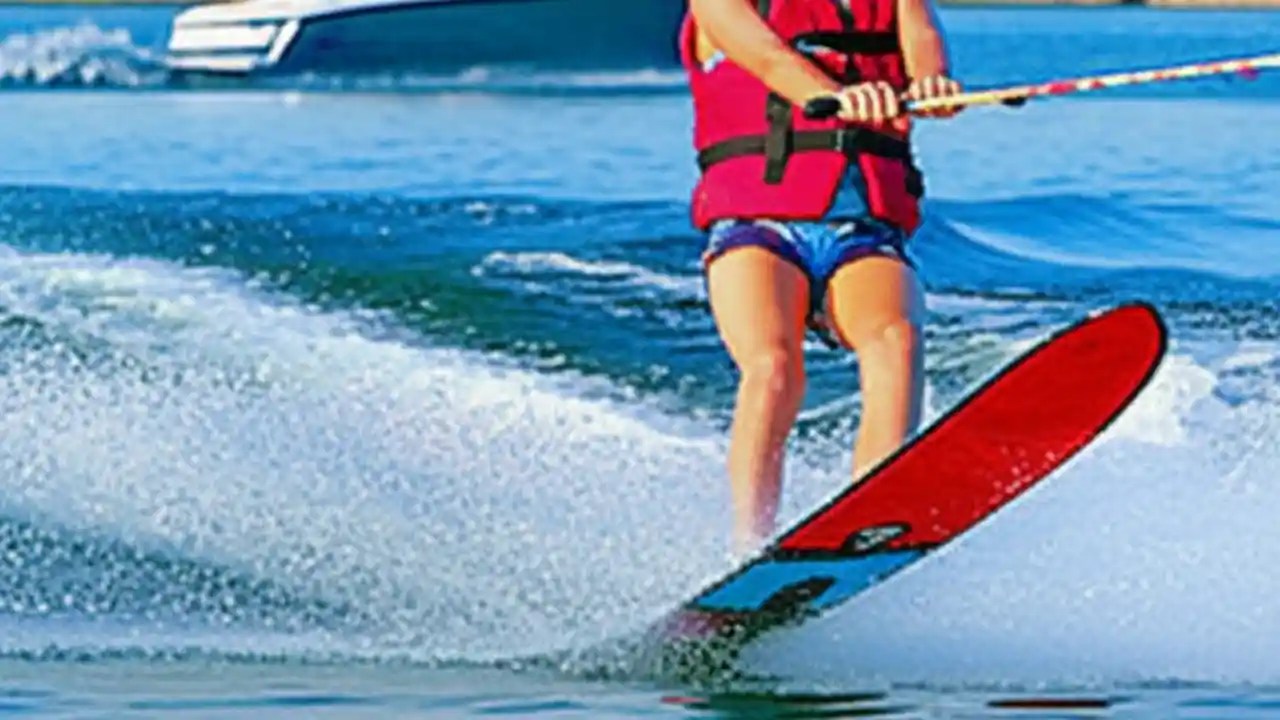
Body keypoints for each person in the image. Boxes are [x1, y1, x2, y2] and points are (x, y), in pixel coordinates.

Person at [682, 0, 964, 556]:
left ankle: (874, 518)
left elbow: (924, 49)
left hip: (861, 229)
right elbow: (768, 59)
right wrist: (838, 95)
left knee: (896, 340)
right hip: (755, 226)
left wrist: (933, 85)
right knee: (773, 365)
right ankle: (749, 545)